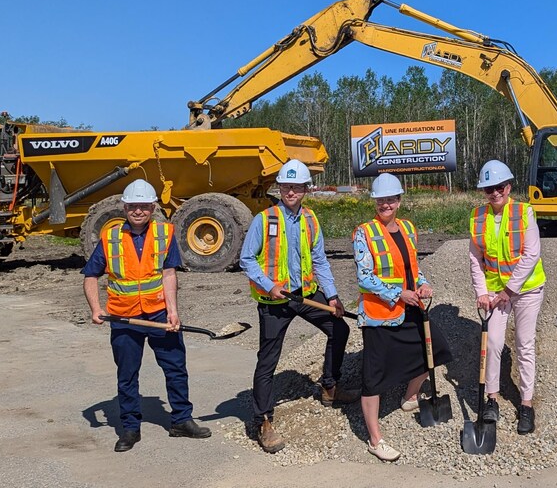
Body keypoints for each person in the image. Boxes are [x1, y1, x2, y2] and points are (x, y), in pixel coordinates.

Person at [82, 178, 212, 452]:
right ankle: (130, 428)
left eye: (144, 206)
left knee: (175, 369)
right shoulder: (111, 237)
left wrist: (173, 312)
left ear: (153, 207)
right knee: (127, 375)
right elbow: (90, 275)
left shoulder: (165, 233)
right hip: (123, 319)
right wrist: (96, 309)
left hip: (159, 315)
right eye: (133, 206)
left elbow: (168, 274)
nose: (138, 211)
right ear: (125, 208)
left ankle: (181, 421)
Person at [240, 158, 358, 454]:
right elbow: (246, 259)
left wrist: (332, 296)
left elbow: (319, 259)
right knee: (268, 360)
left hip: (304, 294)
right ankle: (262, 421)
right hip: (274, 301)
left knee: (339, 329)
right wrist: (269, 285)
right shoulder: (264, 220)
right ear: (279, 188)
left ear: (306, 189)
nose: (291, 191)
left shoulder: (310, 220)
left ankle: (329, 387)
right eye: (286, 186)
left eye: (297, 187)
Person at [352, 173, 452, 462]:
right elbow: (364, 278)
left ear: (399, 201)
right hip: (379, 314)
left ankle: (410, 397)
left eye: (391, 199)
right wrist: (400, 293)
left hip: (410, 305)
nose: (386, 204)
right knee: (373, 378)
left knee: (437, 349)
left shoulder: (408, 228)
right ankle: (375, 439)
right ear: (374, 201)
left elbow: (412, 267)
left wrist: (422, 283)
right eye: (381, 199)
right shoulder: (364, 233)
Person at [468, 159, 545, 435]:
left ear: (509, 187)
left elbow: (531, 254)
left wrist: (509, 290)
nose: (495, 192)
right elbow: (475, 258)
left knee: (524, 344)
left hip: (525, 290)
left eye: (499, 187)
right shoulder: (478, 217)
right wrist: (482, 293)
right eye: (489, 189)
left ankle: (526, 404)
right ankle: (492, 399)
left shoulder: (525, 213)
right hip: (494, 293)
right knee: (493, 343)